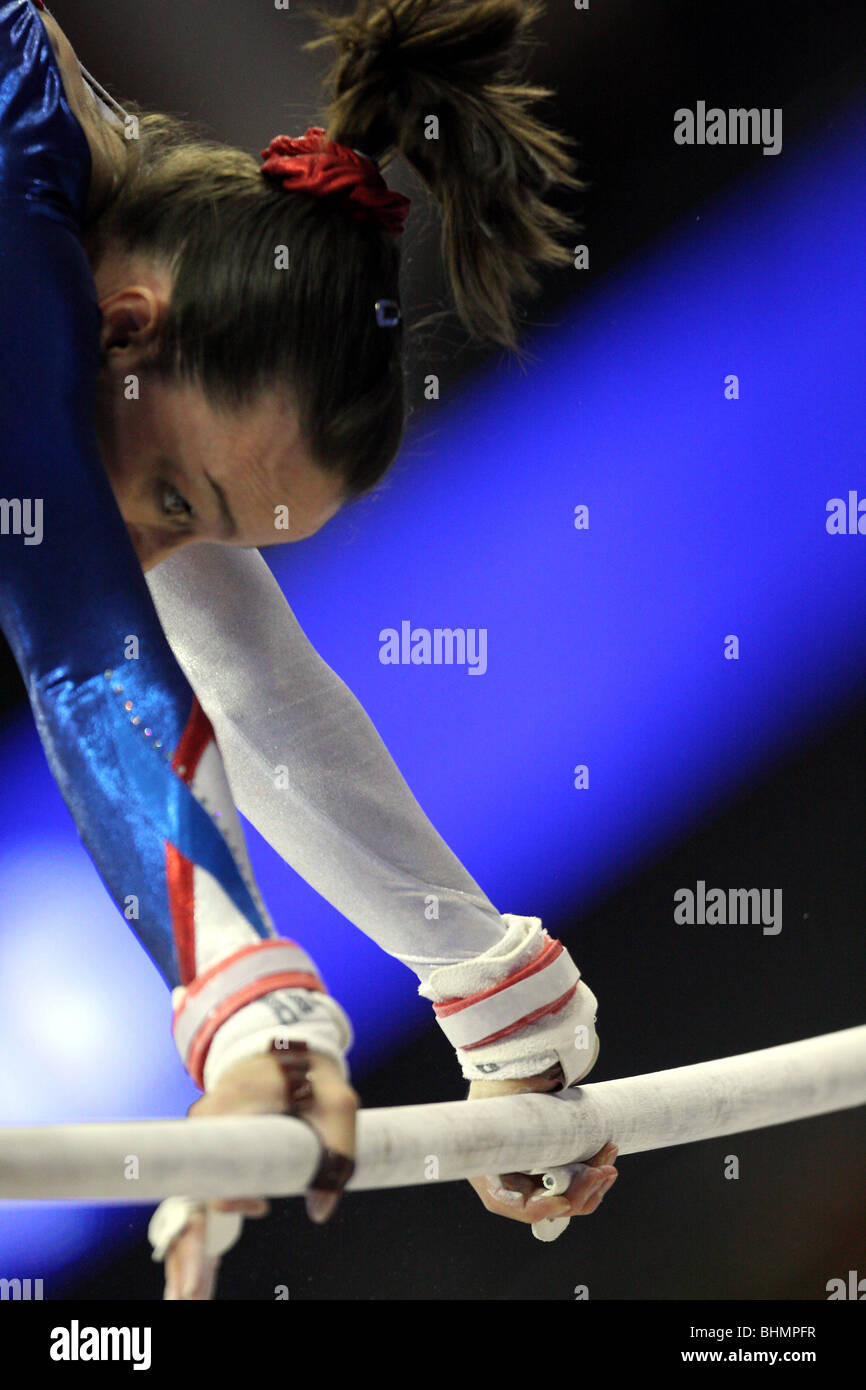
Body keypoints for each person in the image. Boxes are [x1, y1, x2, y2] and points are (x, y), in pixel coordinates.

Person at [0, 0, 618, 1300]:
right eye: (175, 498)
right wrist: (251, 1013)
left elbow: (244, 669)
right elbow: (85, 642)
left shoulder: (117, 229)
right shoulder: (22, 252)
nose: (152, 554)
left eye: (203, 523)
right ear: (122, 327)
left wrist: (488, 985)